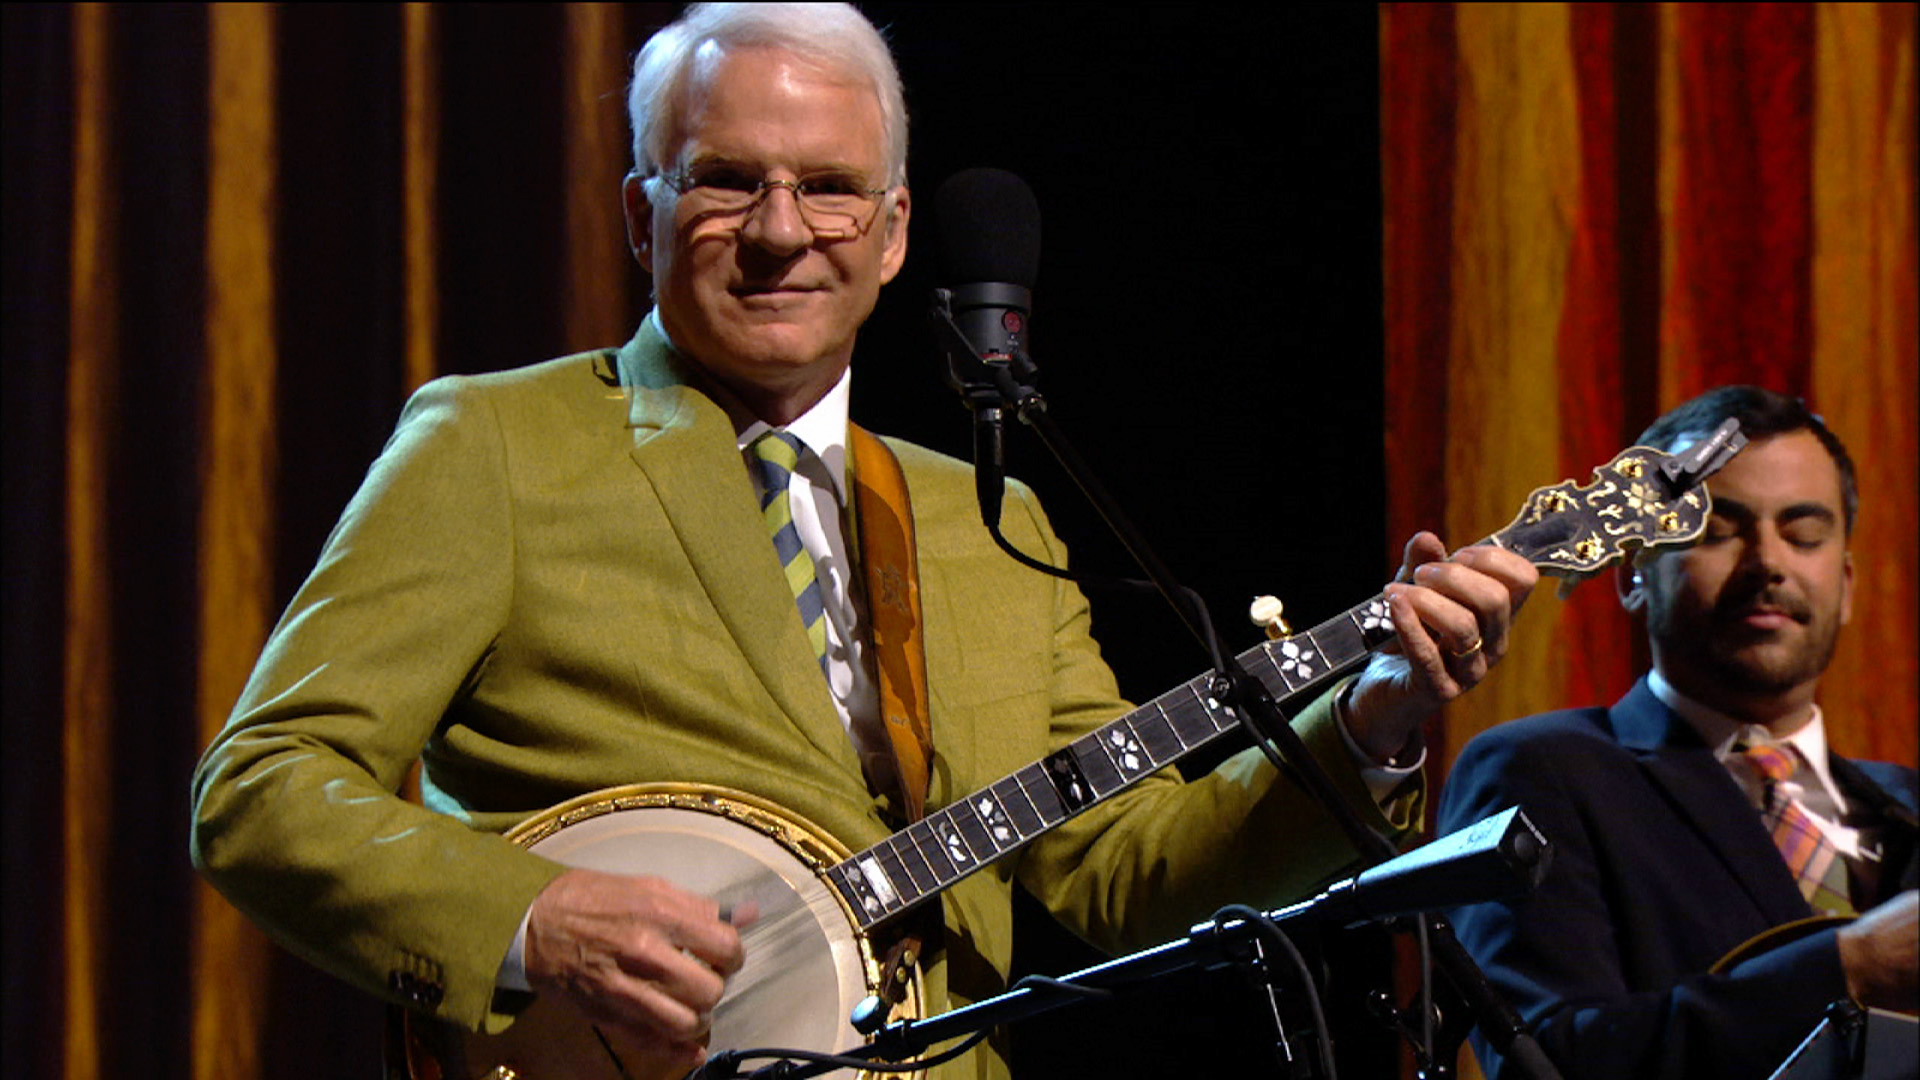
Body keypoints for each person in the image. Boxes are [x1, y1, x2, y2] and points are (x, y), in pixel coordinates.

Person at [190, 5, 1537, 1077]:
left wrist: (1369, 721)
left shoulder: (981, 511)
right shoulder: (496, 442)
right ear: (637, 212)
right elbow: (259, 789)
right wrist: (529, 920)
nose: (782, 233)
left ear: (892, 239)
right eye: (726, 180)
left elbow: (1124, 867)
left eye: (831, 190)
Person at [1438, 385, 1919, 1080]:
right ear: (1634, 575)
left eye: (1804, 534)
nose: (1769, 563)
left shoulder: (1906, 806)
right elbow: (1543, 1060)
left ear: (1845, 585)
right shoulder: (1537, 770)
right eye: (1717, 531)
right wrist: (1851, 969)